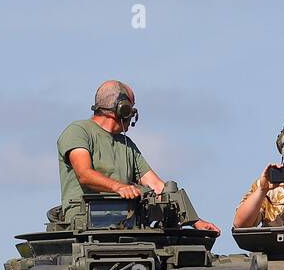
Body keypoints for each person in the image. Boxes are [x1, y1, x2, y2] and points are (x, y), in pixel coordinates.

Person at [57, 80, 220, 233]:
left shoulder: (126, 144)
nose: (132, 113)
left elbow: (156, 186)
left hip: (126, 222)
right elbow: (84, 174)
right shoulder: (78, 131)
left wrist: (195, 221)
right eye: (131, 108)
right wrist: (118, 187)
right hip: (86, 222)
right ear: (122, 108)